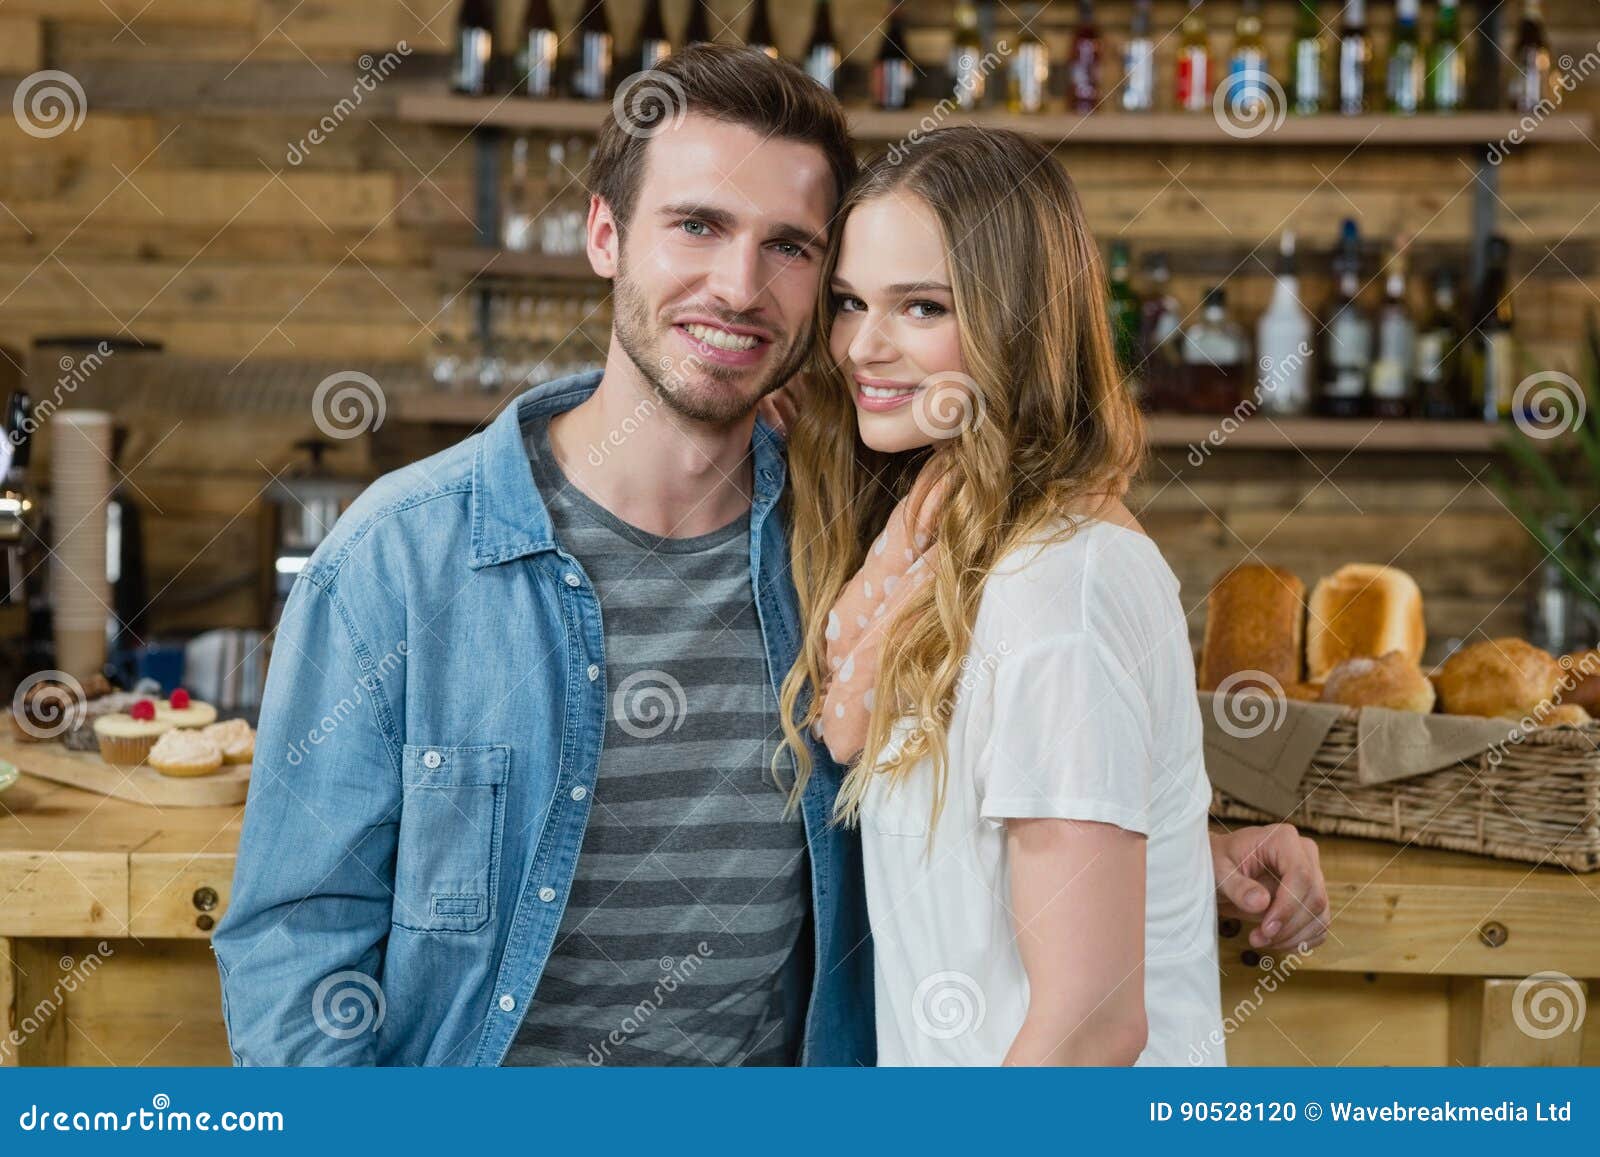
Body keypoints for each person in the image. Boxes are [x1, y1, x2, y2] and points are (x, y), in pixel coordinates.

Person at [212, 45, 1328, 1067]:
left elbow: (1014, 739)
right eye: (696, 225)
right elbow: (295, 938)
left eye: (790, 248)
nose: (741, 288)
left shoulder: (857, 533)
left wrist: (1182, 845)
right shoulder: (402, 558)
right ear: (604, 235)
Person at [780, 126, 1232, 1065]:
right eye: (852, 301)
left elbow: (1093, 1022)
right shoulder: (946, 550)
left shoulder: (1056, 583)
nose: (863, 345)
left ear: (1018, 320)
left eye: (922, 307)